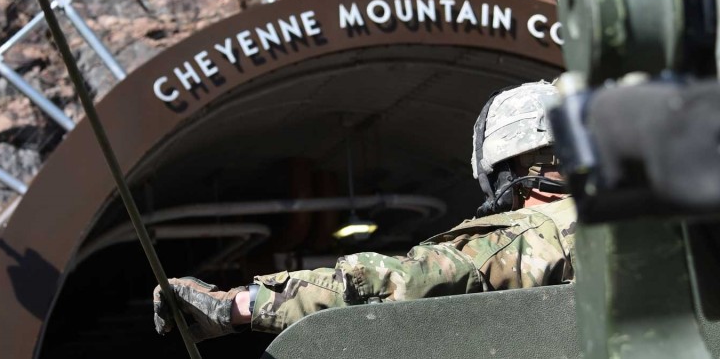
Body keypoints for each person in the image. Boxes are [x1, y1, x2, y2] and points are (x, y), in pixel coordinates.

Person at [153, 80, 576, 341]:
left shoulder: (533, 237)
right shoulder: (629, 214)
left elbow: (395, 284)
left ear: (509, 168)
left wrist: (233, 306)